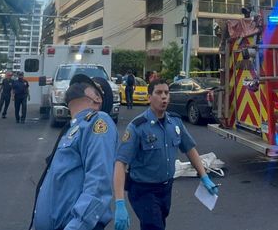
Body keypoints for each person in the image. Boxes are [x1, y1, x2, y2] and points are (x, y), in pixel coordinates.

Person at [114, 79, 219, 230]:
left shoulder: (175, 122)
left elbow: (190, 149)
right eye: (158, 93)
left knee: (159, 224)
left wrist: (204, 177)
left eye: (166, 93)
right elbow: (120, 162)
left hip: (165, 189)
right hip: (143, 190)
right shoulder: (137, 126)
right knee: (154, 226)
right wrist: (119, 203)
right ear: (149, 97)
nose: (163, 97)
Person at [32, 74, 117, 230]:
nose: (77, 84)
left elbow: (98, 184)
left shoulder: (98, 121)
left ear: (97, 98)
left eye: (86, 84)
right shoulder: (72, 129)